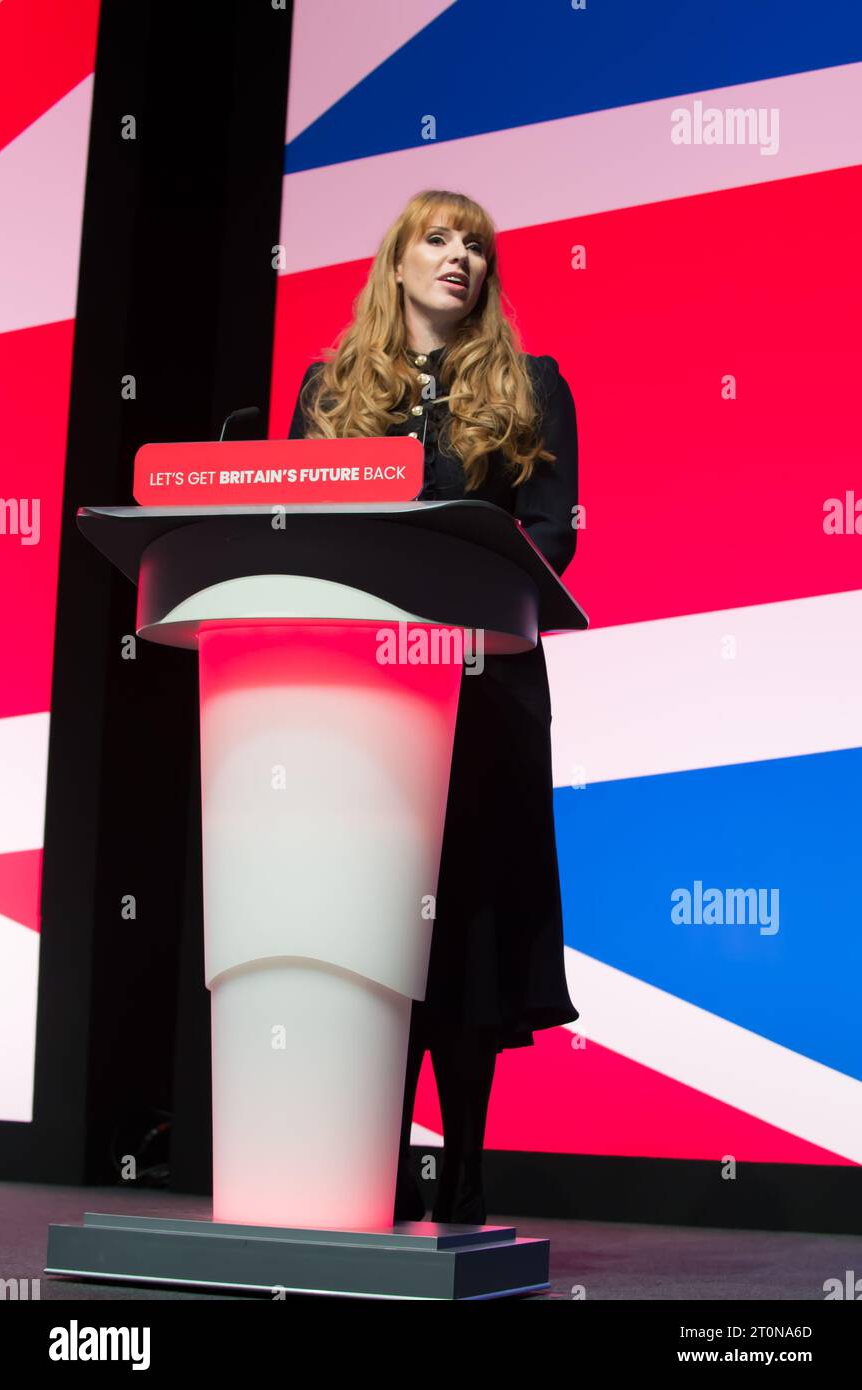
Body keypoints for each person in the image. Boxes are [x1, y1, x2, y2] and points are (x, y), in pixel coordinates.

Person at [287, 189, 580, 1225]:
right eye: (438, 240)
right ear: (397, 262)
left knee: (462, 930)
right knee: (367, 927)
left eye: (476, 248)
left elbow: (553, 538)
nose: (460, 258)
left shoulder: (530, 388)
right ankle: (360, 1156)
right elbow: (292, 534)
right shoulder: (328, 392)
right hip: (356, 698)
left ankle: (460, 1166)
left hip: (479, 695)